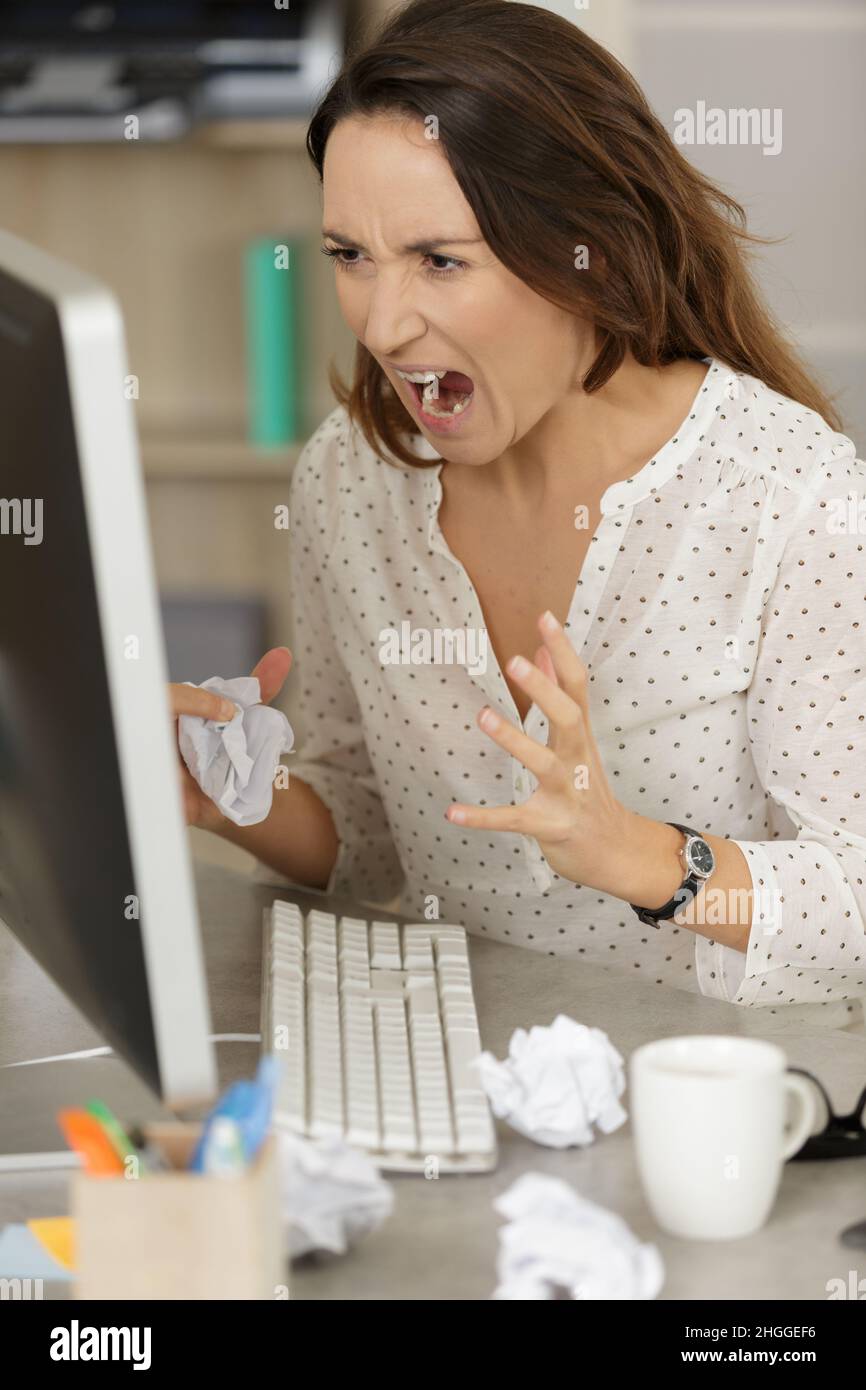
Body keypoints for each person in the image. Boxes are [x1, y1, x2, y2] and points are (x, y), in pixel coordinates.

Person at [171, 0, 866, 1030]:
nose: (383, 320)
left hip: (722, 1119)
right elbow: (370, 839)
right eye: (349, 255)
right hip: (458, 1089)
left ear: (586, 249)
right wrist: (236, 795)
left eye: (438, 259)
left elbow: (853, 905)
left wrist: (637, 856)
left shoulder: (789, 494)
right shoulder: (345, 484)